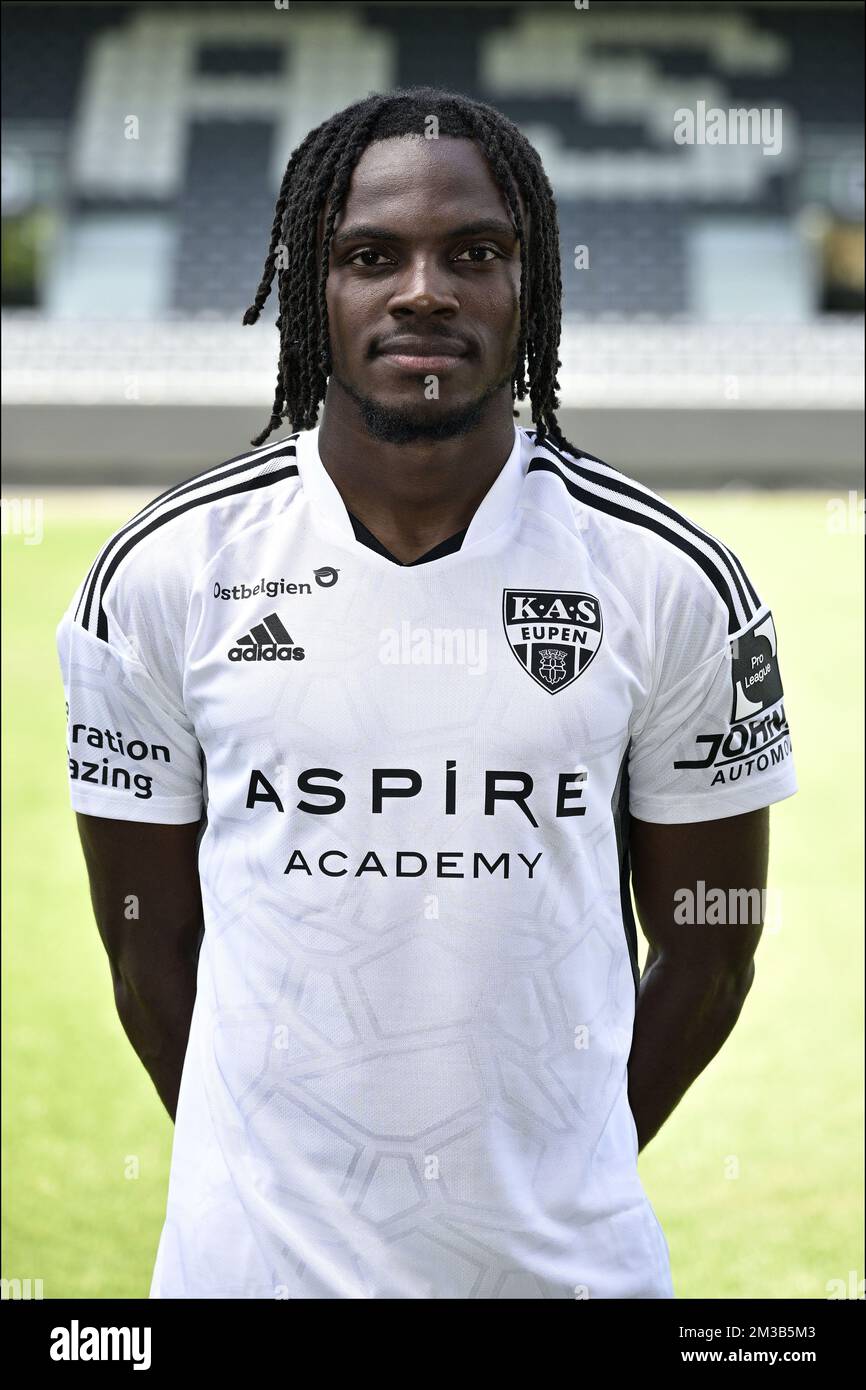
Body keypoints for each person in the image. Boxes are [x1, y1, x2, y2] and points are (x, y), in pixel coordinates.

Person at [57, 86, 797, 1300]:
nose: (422, 290)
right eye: (369, 255)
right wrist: (279, 1191)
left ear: (530, 282)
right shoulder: (166, 572)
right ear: (314, 288)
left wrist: (557, 1169)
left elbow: (711, 947)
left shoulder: (667, 581)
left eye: (474, 253)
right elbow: (147, 956)